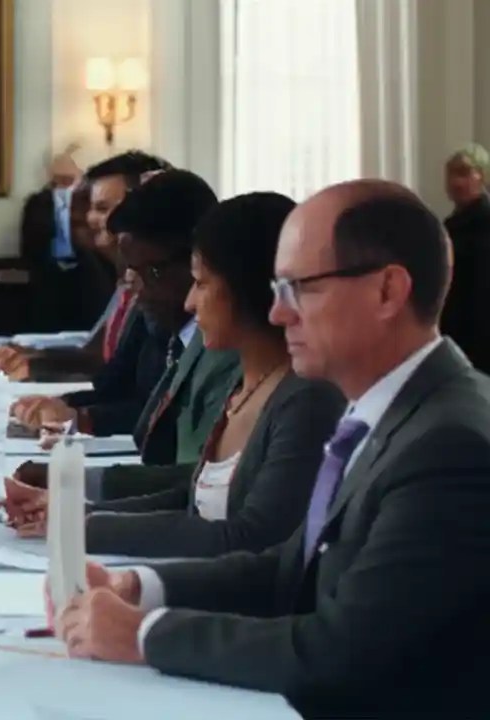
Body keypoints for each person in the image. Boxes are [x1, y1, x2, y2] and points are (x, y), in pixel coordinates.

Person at [60, 181, 490, 718]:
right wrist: (138, 586)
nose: (279, 313)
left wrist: (144, 634)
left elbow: (340, 651)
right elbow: (292, 569)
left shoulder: (449, 446)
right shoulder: (385, 408)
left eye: (299, 288)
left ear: (387, 292)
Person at [6, 194, 344, 560]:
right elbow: (194, 496)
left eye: (201, 283)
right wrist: (75, 511)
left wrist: (84, 527)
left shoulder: (306, 399)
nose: (189, 302)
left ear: (245, 287)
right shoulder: (245, 384)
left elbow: (252, 536)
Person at [13, 170, 238, 488]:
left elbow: (199, 482)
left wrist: (77, 480)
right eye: (131, 272)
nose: (137, 290)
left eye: (152, 272)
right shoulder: (170, 324)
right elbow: (117, 386)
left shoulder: (222, 350)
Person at [0, 151, 171, 382]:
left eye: (102, 208)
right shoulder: (126, 277)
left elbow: (113, 368)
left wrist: (32, 364)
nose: (89, 218)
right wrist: (25, 355)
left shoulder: (158, 286)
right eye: (90, 207)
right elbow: (96, 350)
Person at [19, 145, 116, 333]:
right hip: (49, 273)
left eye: (68, 178)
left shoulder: (90, 201)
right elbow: (29, 242)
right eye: (58, 178)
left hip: (90, 272)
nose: (63, 185)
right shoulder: (38, 203)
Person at [440, 142, 490, 375]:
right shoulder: (449, 226)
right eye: (451, 174)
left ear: (482, 176)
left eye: (464, 173)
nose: (456, 182)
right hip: (456, 327)